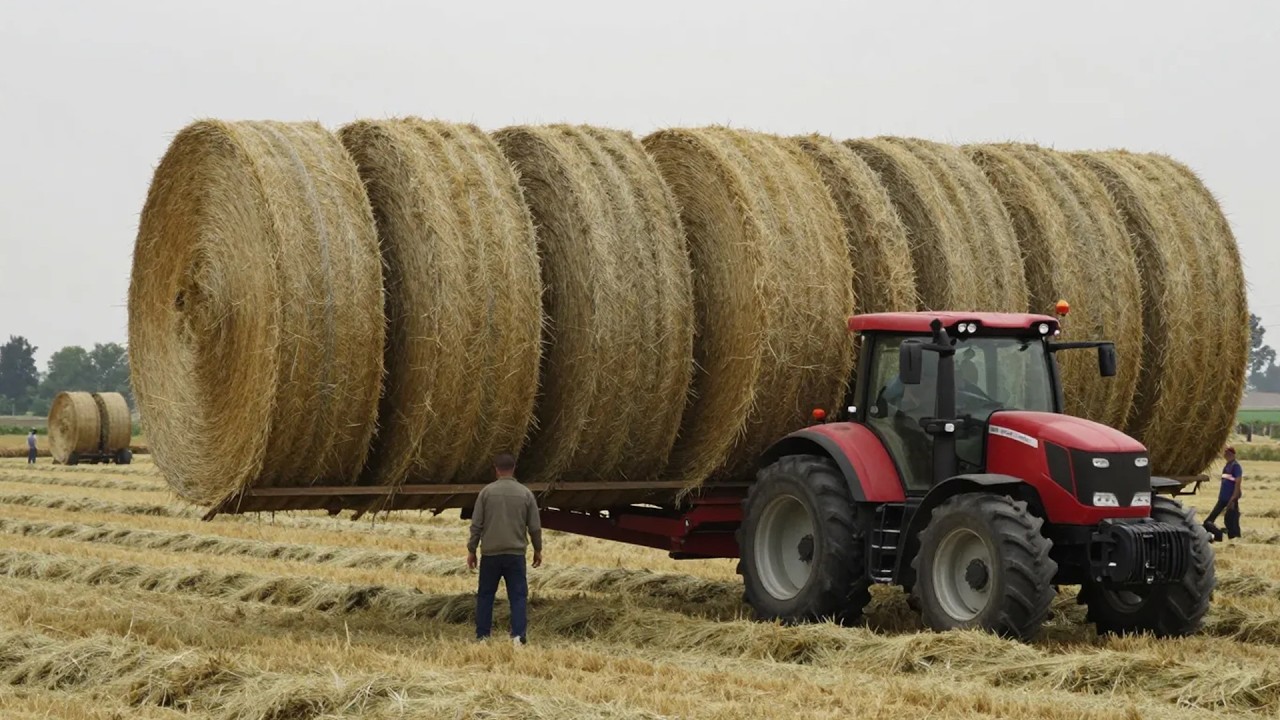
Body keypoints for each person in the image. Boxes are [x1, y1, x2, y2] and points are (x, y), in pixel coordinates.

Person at [468, 452, 543, 645]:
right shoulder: (525, 493)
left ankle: (483, 636)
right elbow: (534, 526)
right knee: (518, 596)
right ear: (514, 468)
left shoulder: (486, 493)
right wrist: (537, 549)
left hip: (491, 553)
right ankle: (518, 636)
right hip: (515, 554)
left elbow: (477, 524)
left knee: (485, 595)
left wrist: (471, 550)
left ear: (496, 469)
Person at [1203, 446, 1243, 542]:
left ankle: (1233, 541)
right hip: (1223, 498)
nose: (1225, 455)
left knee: (1231, 521)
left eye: (1227, 454)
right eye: (1224, 454)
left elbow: (1238, 484)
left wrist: (1233, 499)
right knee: (1211, 520)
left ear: (1231, 454)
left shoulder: (1236, 466)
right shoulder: (1227, 466)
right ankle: (1218, 535)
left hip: (1230, 499)